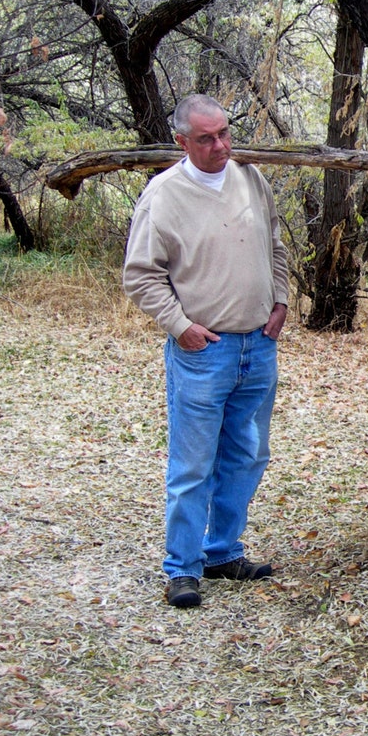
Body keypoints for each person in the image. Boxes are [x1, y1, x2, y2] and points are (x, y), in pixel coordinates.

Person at [123, 94, 289, 608]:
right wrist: (180, 327)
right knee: (193, 463)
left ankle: (222, 552)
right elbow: (140, 275)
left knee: (248, 454)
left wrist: (280, 301)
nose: (220, 145)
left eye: (224, 133)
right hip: (203, 352)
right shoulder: (163, 195)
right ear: (182, 141)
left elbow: (275, 245)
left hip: (257, 346)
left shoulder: (250, 179)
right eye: (205, 138)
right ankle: (182, 567)